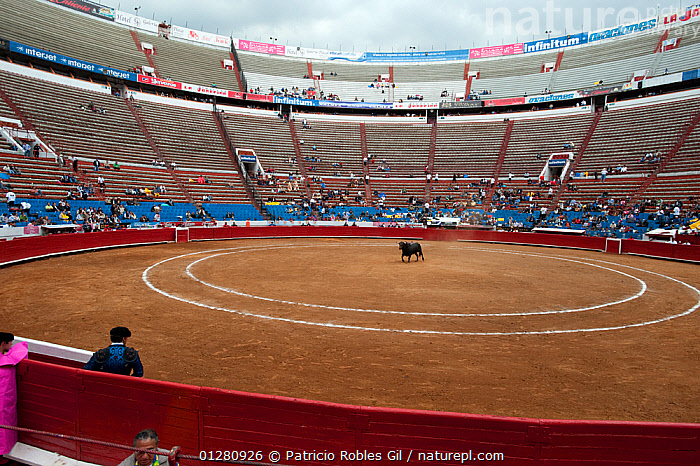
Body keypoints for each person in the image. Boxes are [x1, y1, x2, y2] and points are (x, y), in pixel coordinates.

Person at [0, 333, 29, 464]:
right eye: (10, 342)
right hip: (5, 403)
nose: (11, 345)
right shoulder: (8, 362)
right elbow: (21, 350)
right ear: (3, 343)